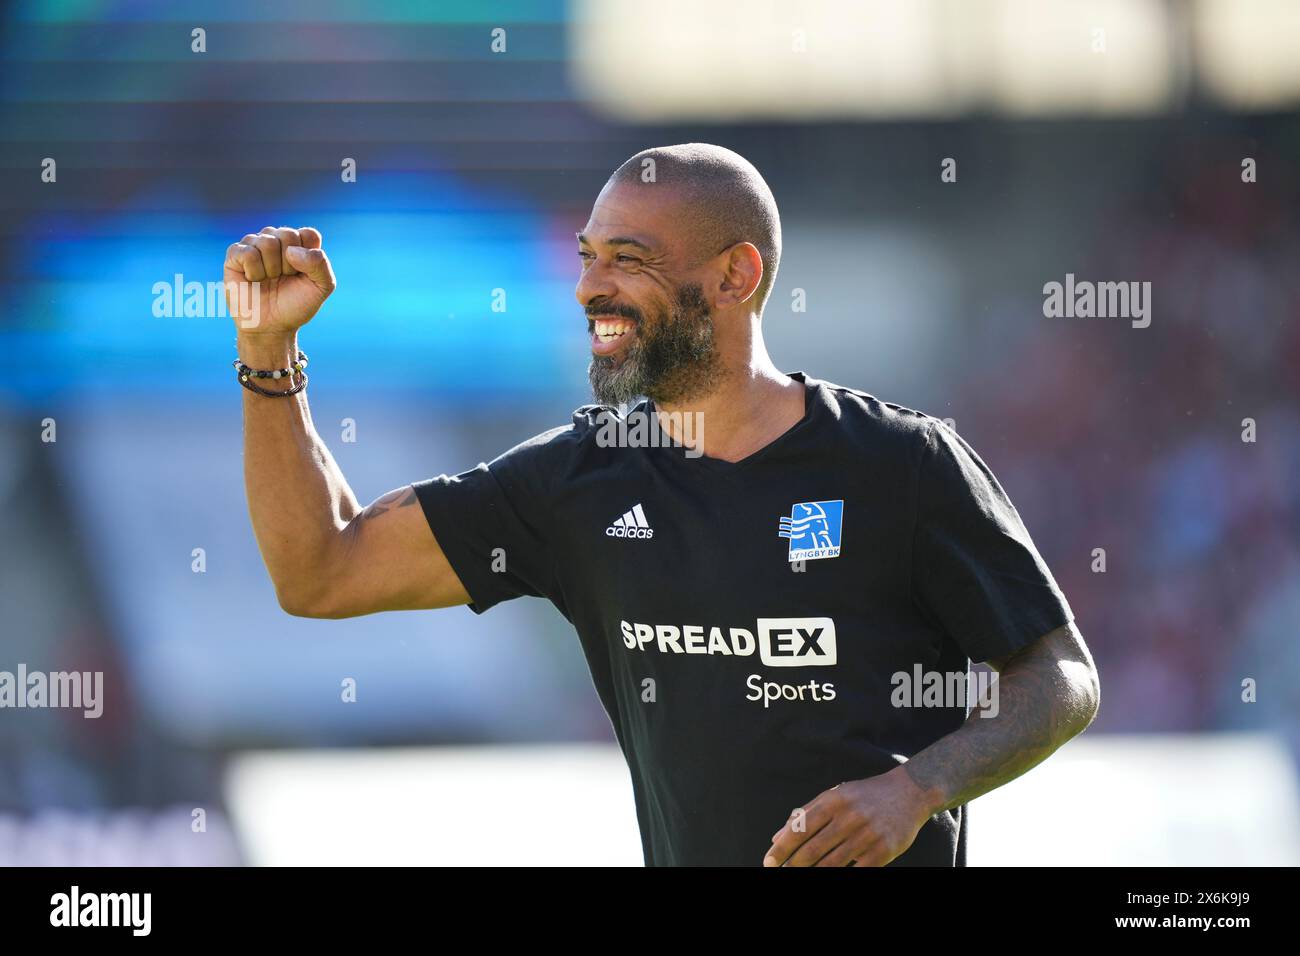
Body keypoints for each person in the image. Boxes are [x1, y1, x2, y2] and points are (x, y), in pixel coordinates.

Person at [222, 143, 1099, 867]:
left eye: (628, 260)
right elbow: (321, 572)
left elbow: (1061, 678)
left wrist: (917, 788)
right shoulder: (579, 482)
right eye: (588, 257)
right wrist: (269, 355)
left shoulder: (902, 464)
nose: (589, 288)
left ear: (735, 276)